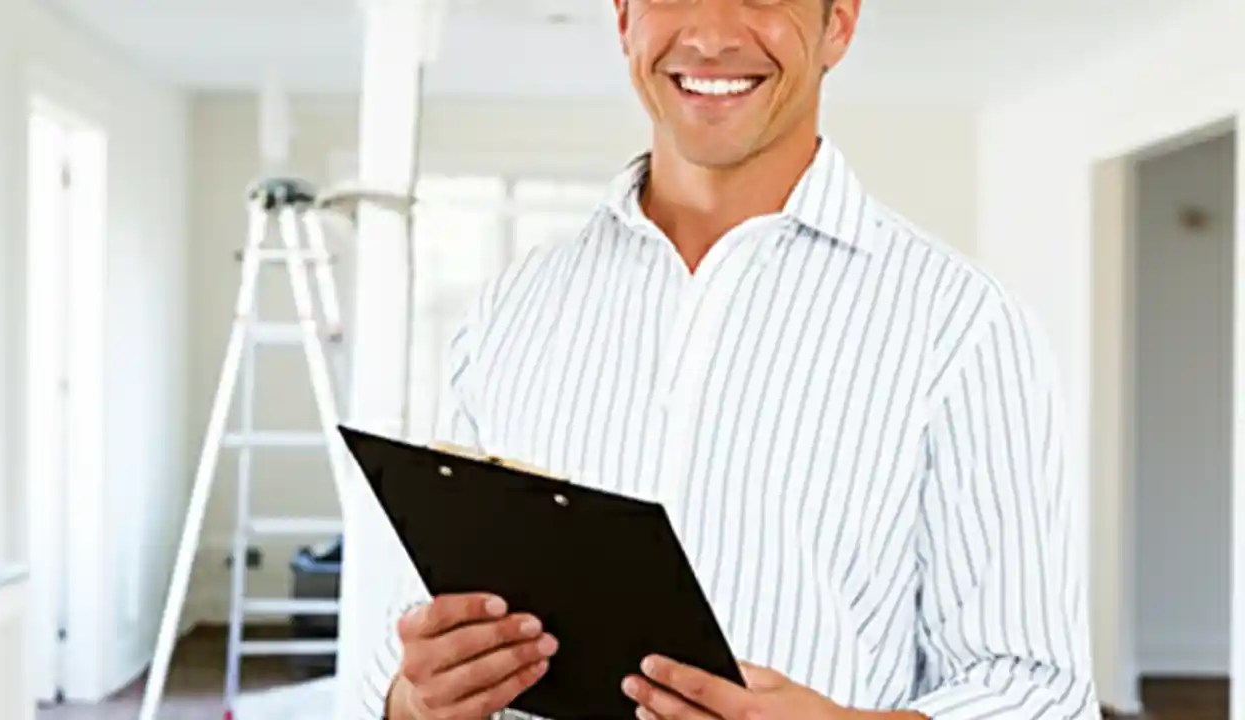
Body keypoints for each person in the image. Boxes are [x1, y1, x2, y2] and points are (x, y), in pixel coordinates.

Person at [366, 0, 1099, 718]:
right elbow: (404, 640)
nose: (711, 34)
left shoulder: (962, 325)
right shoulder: (511, 308)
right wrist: (413, 703)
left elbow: (1041, 693)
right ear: (623, 18)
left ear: (839, 23)